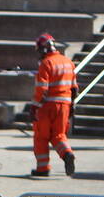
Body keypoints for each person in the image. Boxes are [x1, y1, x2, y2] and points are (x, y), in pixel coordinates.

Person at [30, 33, 78, 178]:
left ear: (43, 49)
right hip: (64, 105)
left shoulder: (46, 64)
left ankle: (43, 168)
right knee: (59, 135)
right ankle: (67, 153)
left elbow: (42, 89)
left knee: (41, 136)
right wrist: (72, 106)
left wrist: (34, 107)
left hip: (47, 106)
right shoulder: (68, 62)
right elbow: (74, 88)